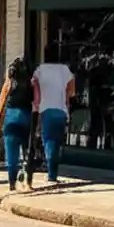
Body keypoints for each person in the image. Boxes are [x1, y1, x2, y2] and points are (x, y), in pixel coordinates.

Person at [32, 44, 76, 183]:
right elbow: (72, 90)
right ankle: (54, 172)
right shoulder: (65, 70)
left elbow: (34, 85)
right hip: (61, 109)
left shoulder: (40, 70)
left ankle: (51, 173)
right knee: (57, 142)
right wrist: (65, 97)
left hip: (46, 109)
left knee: (48, 141)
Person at [0, 57, 36, 191]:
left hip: (11, 117)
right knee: (27, 151)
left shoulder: (10, 82)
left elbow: (1, 102)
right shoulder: (32, 83)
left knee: (11, 153)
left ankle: (12, 182)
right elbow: (36, 102)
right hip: (26, 117)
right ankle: (27, 181)